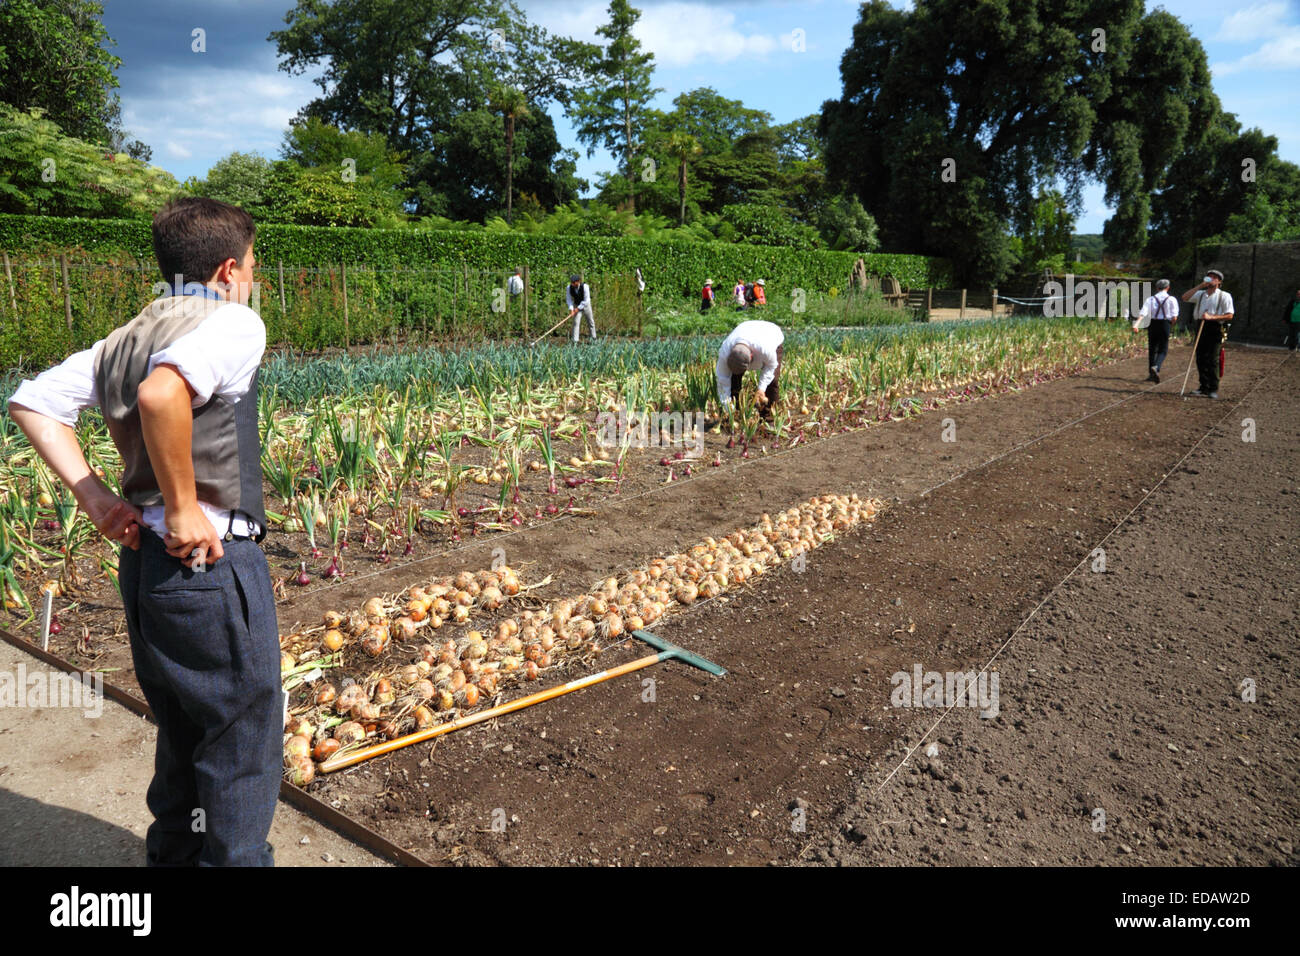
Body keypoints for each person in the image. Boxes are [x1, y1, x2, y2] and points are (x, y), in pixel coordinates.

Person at [7, 196, 281, 866]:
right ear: (227, 270)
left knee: (184, 733)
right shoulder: (236, 320)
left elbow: (32, 401)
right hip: (208, 565)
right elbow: (164, 395)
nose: (253, 279)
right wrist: (185, 505)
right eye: (252, 267)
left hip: (147, 571)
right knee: (241, 740)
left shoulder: (123, 337)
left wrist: (98, 499)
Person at [1181, 269, 1234, 399]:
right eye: (1209, 276)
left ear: (1219, 281)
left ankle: (1213, 388)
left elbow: (1229, 315)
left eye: (1214, 277)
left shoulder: (1224, 296)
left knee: (1213, 359)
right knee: (1200, 357)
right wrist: (1200, 285)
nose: (1210, 279)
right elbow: (1184, 297)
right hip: (1200, 325)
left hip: (1215, 327)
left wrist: (1211, 317)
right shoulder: (1200, 294)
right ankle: (1203, 386)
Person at [716, 318, 784, 420]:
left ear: (751, 356)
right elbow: (722, 379)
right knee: (733, 379)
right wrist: (726, 405)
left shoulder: (766, 348)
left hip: (771, 333)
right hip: (746, 329)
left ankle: (769, 417)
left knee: (772, 382)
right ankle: (736, 414)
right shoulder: (725, 352)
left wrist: (761, 389)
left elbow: (771, 366)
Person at [1134, 278, 1178, 382]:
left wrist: (1136, 325)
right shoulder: (1172, 299)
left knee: (1152, 349)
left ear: (1157, 288)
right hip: (1164, 323)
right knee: (1163, 349)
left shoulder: (1151, 299)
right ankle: (1156, 367)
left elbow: (1143, 313)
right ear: (1168, 288)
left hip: (1152, 324)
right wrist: (1171, 324)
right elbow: (1174, 317)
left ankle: (1151, 374)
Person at [566, 274, 596, 343]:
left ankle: (593, 338)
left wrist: (578, 309)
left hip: (586, 305)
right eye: (571, 282)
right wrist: (571, 309)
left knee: (590, 321)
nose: (572, 284)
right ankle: (575, 340)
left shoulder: (585, 287)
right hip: (576, 304)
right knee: (576, 323)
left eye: (574, 282)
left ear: (578, 281)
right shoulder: (569, 288)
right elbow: (569, 299)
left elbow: (587, 300)